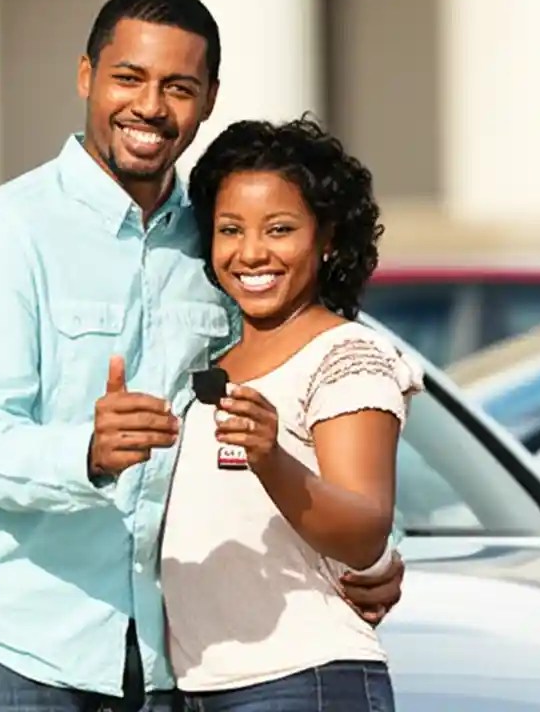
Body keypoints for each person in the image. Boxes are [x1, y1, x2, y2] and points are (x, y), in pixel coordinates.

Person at [0, 0, 405, 710]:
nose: (149, 106)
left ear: (208, 101)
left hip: (163, 663)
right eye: (128, 78)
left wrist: (374, 552)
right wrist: (87, 453)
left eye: (178, 87)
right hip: (11, 642)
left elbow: (301, 407)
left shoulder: (218, 243)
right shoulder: (5, 234)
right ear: (87, 77)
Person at [159, 117, 421, 712]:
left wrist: (271, 459)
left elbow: (363, 529)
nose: (252, 253)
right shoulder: (210, 358)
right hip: (199, 688)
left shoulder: (347, 355)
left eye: (279, 229)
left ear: (327, 237)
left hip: (303, 681)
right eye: (230, 230)